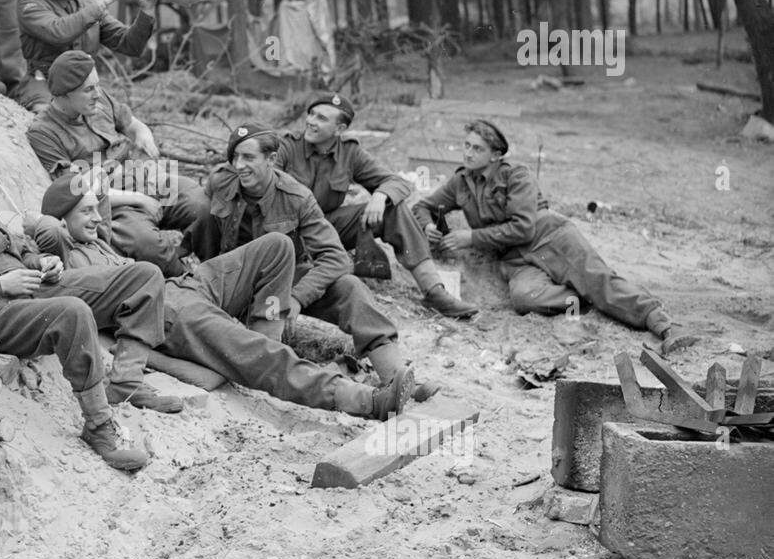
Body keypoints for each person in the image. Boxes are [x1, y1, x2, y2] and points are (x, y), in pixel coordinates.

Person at [0, 128, 193, 473]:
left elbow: (16, 245)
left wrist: (40, 262)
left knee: (144, 275)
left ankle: (126, 381)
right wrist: (0, 284)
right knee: (73, 312)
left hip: (33, 288)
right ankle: (98, 427)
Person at [28, 173, 413, 420]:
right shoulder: (65, 257)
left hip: (184, 286)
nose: (97, 218)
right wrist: (51, 227)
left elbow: (100, 198)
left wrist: (97, 200)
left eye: (98, 210)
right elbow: (39, 229)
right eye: (86, 213)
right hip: (164, 313)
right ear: (62, 222)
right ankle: (361, 400)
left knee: (276, 247)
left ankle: (262, 345)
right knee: (254, 352)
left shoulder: (97, 237)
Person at [411, 119, 695, 353]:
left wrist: (471, 238)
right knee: (525, 299)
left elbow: (524, 227)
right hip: (515, 259)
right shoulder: (461, 181)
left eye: (477, 148)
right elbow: (422, 206)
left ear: (495, 155)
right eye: (466, 146)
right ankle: (584, 296)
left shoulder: (516, 176)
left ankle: (664, 324)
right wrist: (428, 227)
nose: (468, 153)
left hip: (550, 238)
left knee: (600, 280)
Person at [190, 127, 414, 388]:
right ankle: (262, 351)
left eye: (249, 158)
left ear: (272, 159)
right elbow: (197, 222)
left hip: (281, 284)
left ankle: (395, 377)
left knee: (350, 287)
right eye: (235, 157)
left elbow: (336, 257)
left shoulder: (296, 196)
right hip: (231, 282)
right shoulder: (220, 181)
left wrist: (297, 297)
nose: (240, 165)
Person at [278, 92, 477, 319]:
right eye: (311, 114)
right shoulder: (287, 146)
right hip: (284, 231)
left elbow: (398, 182)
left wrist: (380, 196)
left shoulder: (350, 153)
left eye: (321, 118)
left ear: (340, 130)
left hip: (324, 228)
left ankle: (434, 291)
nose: (311, 121)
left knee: (394, 208)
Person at [25, 49, 208, 276]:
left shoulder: (97, 101)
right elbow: (75, 191)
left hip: (139, 176)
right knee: (150, 245)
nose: (97, 93)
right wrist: (140, 199)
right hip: (110, 204)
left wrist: (144, 136)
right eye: (88, 89)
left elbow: (133, 125)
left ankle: (217, 272)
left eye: (97, 85)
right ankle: (187, 283)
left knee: (201, 204)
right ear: (64, 95)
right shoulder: (43, 131)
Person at [17, 0, 156, 108]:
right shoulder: (30, 2)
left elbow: (130, 44)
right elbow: (58, 31)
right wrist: (104, 1)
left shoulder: (87, 2)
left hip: (84, 86)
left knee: (127, 124)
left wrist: (147, 11)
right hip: (44, 85)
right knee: (47, 119)